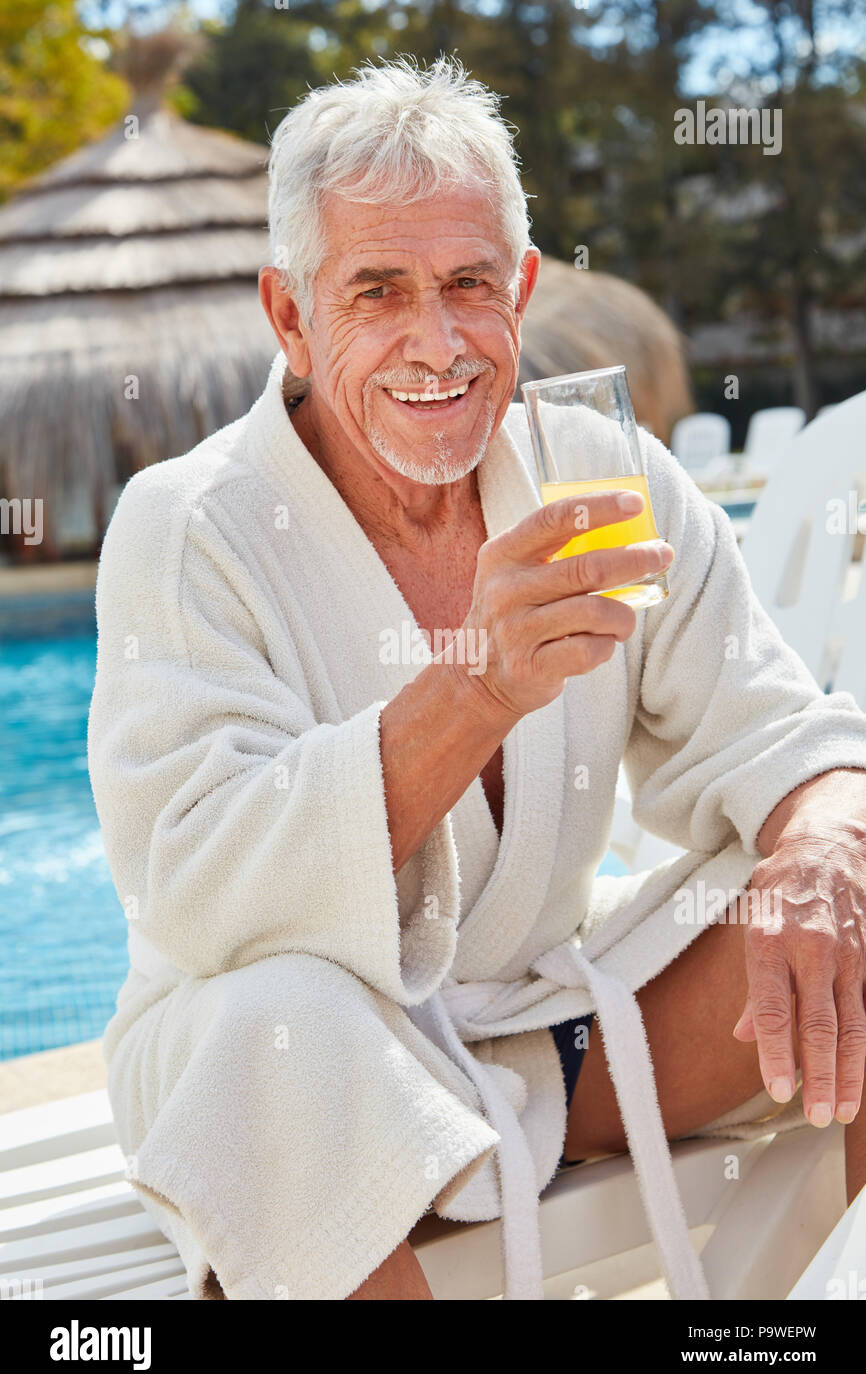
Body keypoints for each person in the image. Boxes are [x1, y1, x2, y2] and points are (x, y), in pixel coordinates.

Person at [88, 55, 866, 1301]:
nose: (436, 342)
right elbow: (197, 885)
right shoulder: (190, 529)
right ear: (288, 315)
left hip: (542, 1047)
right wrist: (477, 688)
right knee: (273, 1031)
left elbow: (781, 734)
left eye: (464, 286)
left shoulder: (601, 483)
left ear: (520, 287)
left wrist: (821, 847)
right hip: (296, 1060)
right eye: (378, 292)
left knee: (855, 908)